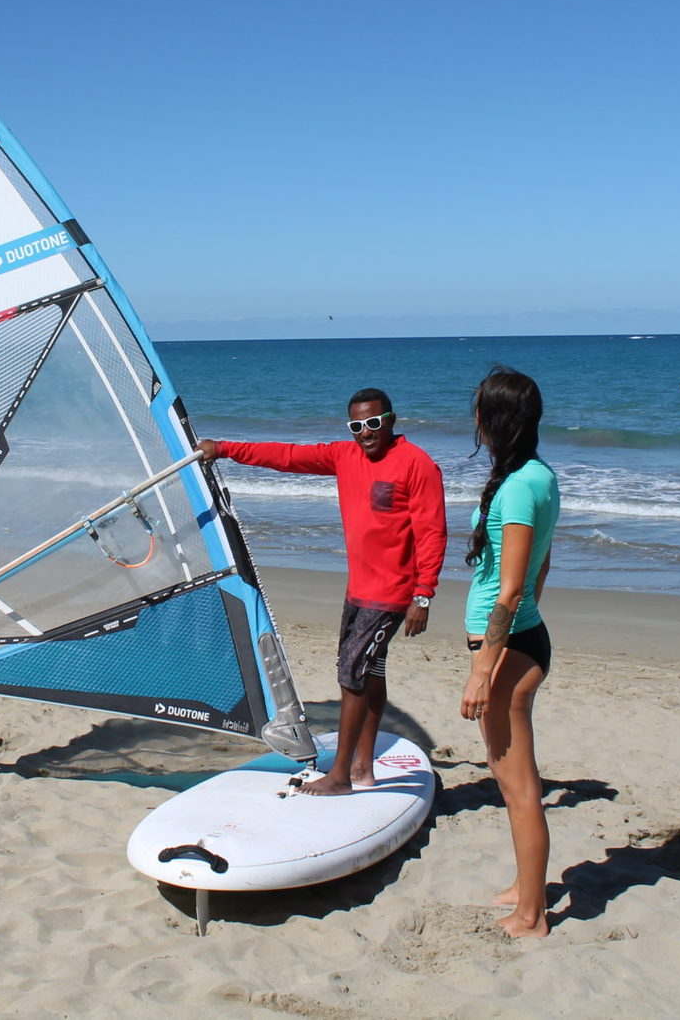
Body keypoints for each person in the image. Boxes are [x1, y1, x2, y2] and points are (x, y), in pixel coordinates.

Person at [197, 388, 446, 796]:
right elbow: (286, 456)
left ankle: (342, 776)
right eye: (356, 426)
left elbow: (433, 533)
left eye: (373, 423)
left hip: (392, 594)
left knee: (350, 675)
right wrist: (223, 449)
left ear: (391, 420)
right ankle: (364, 766)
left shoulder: (417, 465)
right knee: (370, 671)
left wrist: (423, 595)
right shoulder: (343, 456)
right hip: (359, 589)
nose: (365, 433)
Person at [460, 366, 560, 939]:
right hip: (520, 639)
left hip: (508, 650)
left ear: (493, 419)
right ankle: (527, 887)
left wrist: (482, 670)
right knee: (510, 783)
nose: (473, 418)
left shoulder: (521, 487)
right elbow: (542, 564)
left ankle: (531, 915)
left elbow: (514, 587)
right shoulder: (537, 475)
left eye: (478, 408)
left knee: (520, 789)